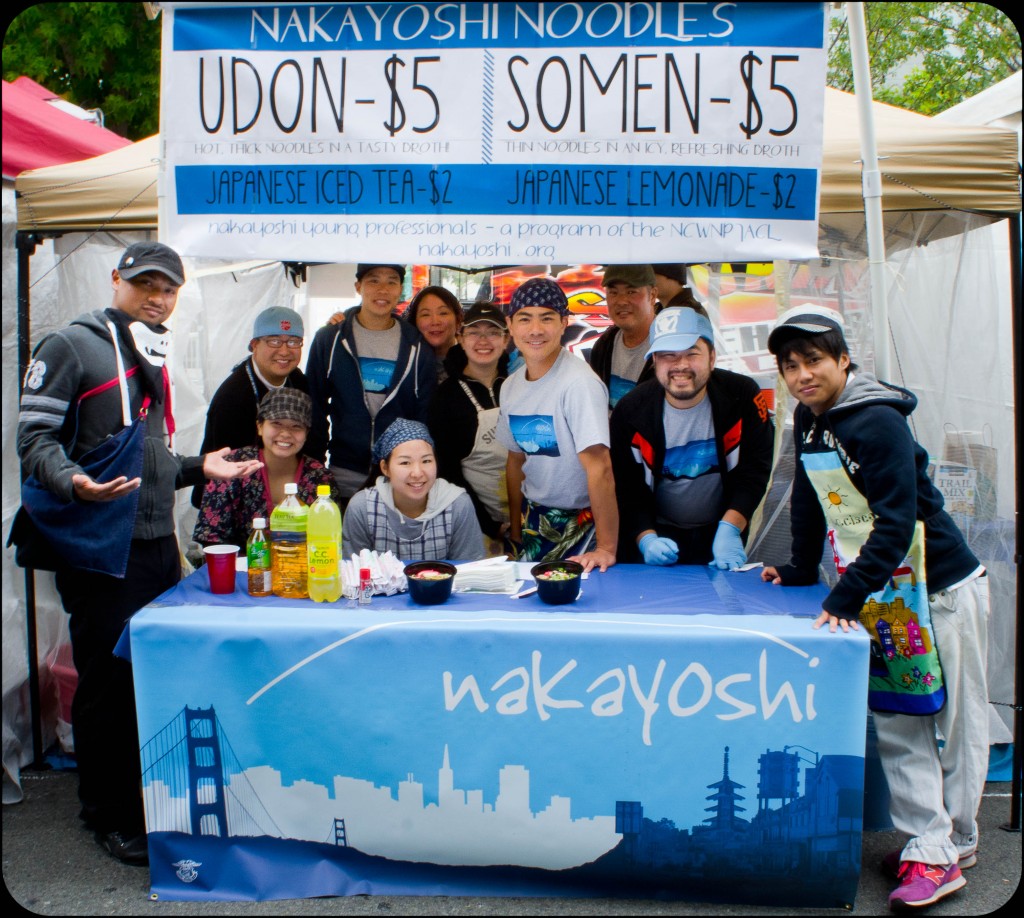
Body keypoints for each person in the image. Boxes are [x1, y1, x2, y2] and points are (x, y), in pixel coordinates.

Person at [14, 242, 263, 866]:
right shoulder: (70, 346)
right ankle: (108, 814)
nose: (158, 297)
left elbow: (142, 461)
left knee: (152, 673)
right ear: (116, 279)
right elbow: (33, 438)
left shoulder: (149, 350)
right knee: (108, 680)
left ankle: (146, 797)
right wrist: (72, 480)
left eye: (169, 288)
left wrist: (195, 468)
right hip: (100, 546)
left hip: (152, 542)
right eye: (146, 283)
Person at [760, 305, 987, 910]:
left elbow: (899, 520)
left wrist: (843, 594)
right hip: (887, 595)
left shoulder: (876, 420)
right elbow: (809, 499)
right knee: (899, 718)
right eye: (790, 366)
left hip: (940, 589)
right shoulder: (810, 421)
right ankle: (931, 841)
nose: (802, 374)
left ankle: (951, 843)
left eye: (813, 360)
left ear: (843, 360)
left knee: (954, 722)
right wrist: (801, 568)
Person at [610, 306, 774, 568]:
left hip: (721, 527)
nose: (680, 365)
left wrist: (731, 527)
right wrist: (645, 538)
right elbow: (627, 487)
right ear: (654, 362)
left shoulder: (743, 396)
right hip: (658, 531)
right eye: (668, 355)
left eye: (691, 354)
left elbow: (755, 470)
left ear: (711, 358)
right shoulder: (629, 411)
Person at [496, 277, 617, 572]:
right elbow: (515, 461)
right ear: (510, 325)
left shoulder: (579, 384)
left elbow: (600, 467)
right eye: (525, 319)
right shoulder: (511, 386)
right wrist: (515, 530)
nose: (535, 330)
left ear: (564, 323)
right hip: (534, 518)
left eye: (547, 318)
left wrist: (605, 548)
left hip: (582, 523)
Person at [305, 263, 435, 504]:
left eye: (391, 281)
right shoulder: (331, 339)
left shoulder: (417, 346)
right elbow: (314, 408)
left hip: (398, 479)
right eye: (373, 281)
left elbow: (423, 416)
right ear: (358, 287)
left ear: (400, 290)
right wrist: (314, 470)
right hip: (342, 474)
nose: (382, 290)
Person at [191, 305, 308, 508]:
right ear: (254, 344)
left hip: (283, 489)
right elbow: (227, 463)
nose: (284, 351)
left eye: (293, 341)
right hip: (229, 497)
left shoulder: (299, 381)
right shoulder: (232, 396)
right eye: (274, 341)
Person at [193, 389, 338, 548]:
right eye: (276, 423)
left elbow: (330, 539)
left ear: (306, 433)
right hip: (241, 568)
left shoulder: (320, 477)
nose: (285, 433)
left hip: (303, 568)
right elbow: (212, 538)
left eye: (296, 426)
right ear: (260, 426)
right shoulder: (232, 466)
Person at [427, 303, 510, 554]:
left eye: (493, 332)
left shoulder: (518, 387)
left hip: (525, 518)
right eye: (474, 332)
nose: (483, 340)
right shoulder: (445, 397)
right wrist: (491, 525)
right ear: (460, 338)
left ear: (506, 339)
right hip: (473, 522)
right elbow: (448, 471)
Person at [342, 419, 486, 561]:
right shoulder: (362, 507)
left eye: (426, 461)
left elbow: (470, 569)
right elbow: (353, 573)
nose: (417, 473)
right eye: (405, 462)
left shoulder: (458, 504)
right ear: (385, 468)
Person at [588, 264, 659, 408]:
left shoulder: (671, 348)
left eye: (631, 292)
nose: (621, 301)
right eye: (613, 292)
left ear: (652, 296)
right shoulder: (604, 345)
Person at [405, 285, 463, 384]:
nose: (435, 321)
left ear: (458, 320)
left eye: (443, 313)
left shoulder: (472, 359)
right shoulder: (406, 362)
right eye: (425, 314)